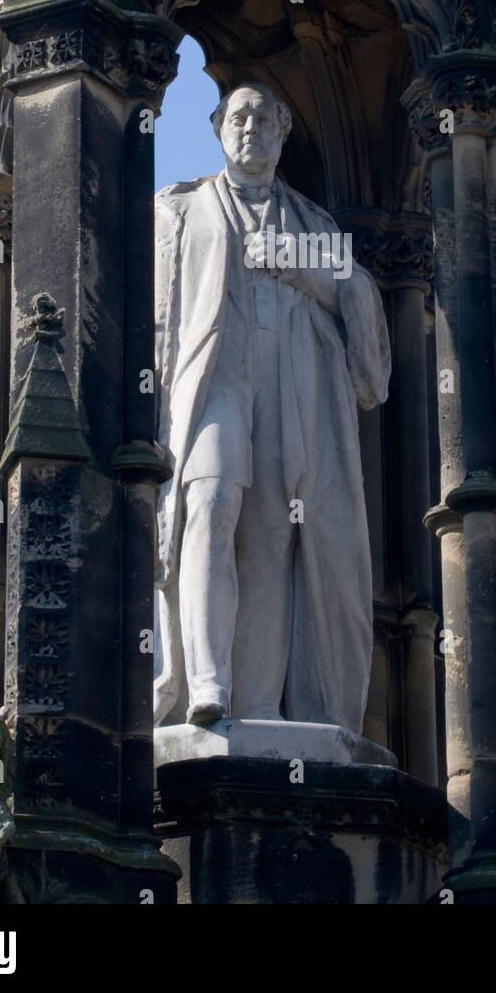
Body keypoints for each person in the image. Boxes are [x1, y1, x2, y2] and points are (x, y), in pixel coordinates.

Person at [153, 82, 390, 733]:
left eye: (264, 117)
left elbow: (360, 302)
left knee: (273, 537)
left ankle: (258, 705)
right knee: (207, 501)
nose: (250, 127)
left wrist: (303, 268)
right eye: (239, 115)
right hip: (214, 382)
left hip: (291, 387)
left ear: (285, 134)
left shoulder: (313, 225)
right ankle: (207, 681)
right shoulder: (180, 211)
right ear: (218, 128)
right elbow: (151, 320)